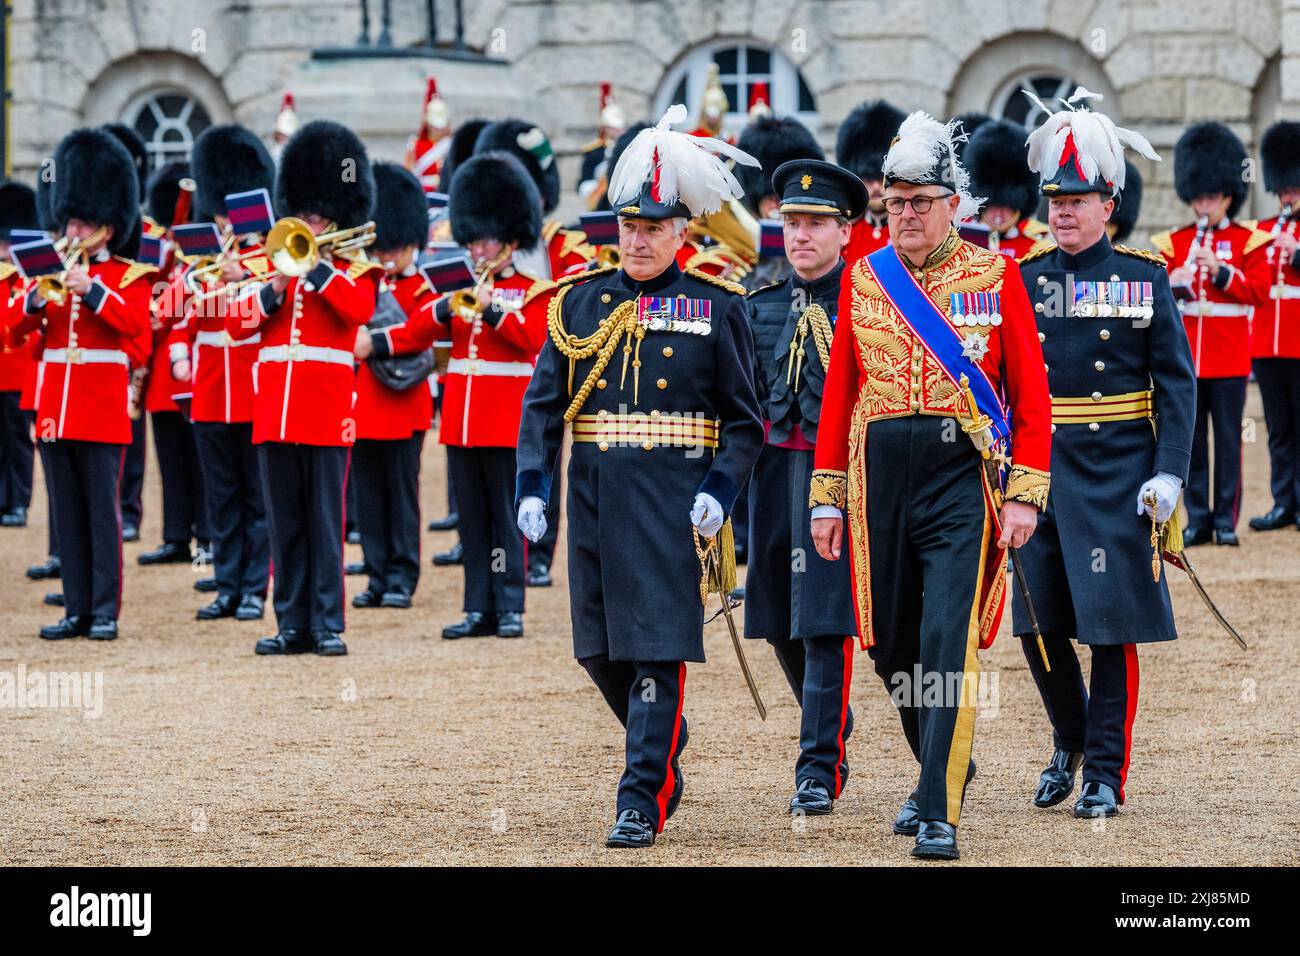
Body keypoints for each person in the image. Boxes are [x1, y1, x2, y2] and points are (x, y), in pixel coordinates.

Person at [515, 105, 763, 848]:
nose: (638, 238)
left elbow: (745, 421)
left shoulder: (717, 308)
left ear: (682, 230)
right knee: (598, 648)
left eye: (654, 226)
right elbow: (543, 408)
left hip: (672, 501)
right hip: (594, 497)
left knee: (656, 646)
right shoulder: (580, 302)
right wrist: (533, 486)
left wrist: (720, 493)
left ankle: (640, 796)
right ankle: (663, 732)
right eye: (629, 224)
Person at [810, 111, 1051, 860]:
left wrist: (1024, 492)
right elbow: (841, 390)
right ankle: (945, 762)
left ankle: (939, 808)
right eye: (895, 203)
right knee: (889, 645)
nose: (906, 216)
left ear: (953, 203)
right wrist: (825, 494)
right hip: (878, 473)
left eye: (921, 202)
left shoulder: (995, 274)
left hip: (960, 477)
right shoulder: (861, 277)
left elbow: (1033, 396)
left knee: (947, 643)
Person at [1016, 88, 1196, 819]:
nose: (1063, 210)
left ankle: (1105, 773)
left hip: (1120, 473)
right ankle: (1070, 737)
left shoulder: (1143, 276)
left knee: (1111, 627)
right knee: (1039, 623)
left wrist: (1169, 476)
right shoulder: (1022, 280)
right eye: (1055, 199)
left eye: (1078, 199)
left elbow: (1177, 389)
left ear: (1109, 201)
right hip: (1042, 473)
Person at [362, 151, 553, 638]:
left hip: (505, 423)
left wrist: (489, 311)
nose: (478, 251)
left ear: (511, 242)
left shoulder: (533, 292)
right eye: (473, 242)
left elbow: (531, 340)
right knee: (473, 523)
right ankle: (478, 607)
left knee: (505, 522)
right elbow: (412, 334)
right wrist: (373, 343)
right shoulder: (458, 289)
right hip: (463, 424)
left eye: (487, 241)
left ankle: (509, 605)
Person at [744, 158, 867, 816]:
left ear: (846, 231)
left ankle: (818, 764)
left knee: (825, 621)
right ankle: (833, 719)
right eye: (792, 222)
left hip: (840, 477)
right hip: (771, 474)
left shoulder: (867, 304)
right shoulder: (758, 306)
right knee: (774, 620)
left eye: (816, 223)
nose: (801, 235)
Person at [231, 120, 381, 657]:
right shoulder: (271, 260)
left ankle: (327, 623)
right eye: (304, 214)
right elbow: (236, 322)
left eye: (318, 215)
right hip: (275, 409)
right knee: (286, 522)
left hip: (326, 409)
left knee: (324, 522)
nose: (310, 222)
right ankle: (290, 622)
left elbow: (358, 310)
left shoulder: (353, 266)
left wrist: (314, 270)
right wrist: (274, 286)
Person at [10, 128, 155, 641]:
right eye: (69, 220)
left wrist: (92, 290)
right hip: (54, 405)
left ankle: (104, 611)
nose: (72, 230)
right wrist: (31, 302)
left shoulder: (129, 276)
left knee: (101, 512)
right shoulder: (47, 272)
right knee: (66, 512)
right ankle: (74, 609)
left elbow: (136, 326)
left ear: (107, 229)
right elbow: (16, 331)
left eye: (83, 222)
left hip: (99, 405)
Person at [168, 123, 277, 621]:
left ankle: (256, 588)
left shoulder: (271, 258)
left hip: (255, 389)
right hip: (211, 390)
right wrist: (189, 280)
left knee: (257, 498)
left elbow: (278, 296)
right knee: (222, 497)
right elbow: (171, 313)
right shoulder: (200, 261)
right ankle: (228, 585)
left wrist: (244, 273)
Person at [1153, 122, 1272, 546]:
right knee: (1192, 442)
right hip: (1188, 356)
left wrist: (1221, 271)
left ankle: (1226, 519)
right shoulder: (1173, 242)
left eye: (1214, 197)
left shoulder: (1250, 241)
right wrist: (1176, 279)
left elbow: (1258, 293)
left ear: (1228, 196)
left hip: (1229, 354)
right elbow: (1161, 301)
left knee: (1229, 441)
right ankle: (1199, 517)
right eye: (1200, 197)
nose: (1206, 205)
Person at [349, 162, 436, 610]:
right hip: (365, 406)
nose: (388, 255)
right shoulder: (363, 285)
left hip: (404, 406)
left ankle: (402, 575)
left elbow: (420, 332)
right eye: (383, 247)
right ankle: (376, 574)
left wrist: (374, 343)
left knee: (401, 498)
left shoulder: (423, 288)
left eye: (396, 247)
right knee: (368, 498)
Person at [137, 160, 210, 568]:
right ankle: (176, 534)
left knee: (201, 458)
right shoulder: (157, 245)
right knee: (170, 458)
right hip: (164, 367)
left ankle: (207, 534)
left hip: (196, 364)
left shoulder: (200, 248)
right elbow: (149, 287)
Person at [1249, 121, 1300, 532]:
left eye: (1293, 189)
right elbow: (1252, 285)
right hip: (1267, 342)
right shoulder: (1263, 231)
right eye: (1284, 190)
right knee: (1279, 429)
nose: (1287, 197)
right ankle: (1284, 502)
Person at [0, 180, 39, 529]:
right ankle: (2, 499)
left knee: (17, 440)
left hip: (16, 369)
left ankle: (20, 501)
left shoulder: (25, 276)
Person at [962, 118, 1050, 258]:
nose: (998, 214)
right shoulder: (959, 238)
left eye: (1006, 206)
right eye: (991, 205)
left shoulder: (1037, 246)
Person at [837, 100, 906, 265]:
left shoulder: (908, 230)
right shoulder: (847, 236)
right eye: (868, 179)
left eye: (880, 178)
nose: (875, 187)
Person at [576, 83, 626, 208]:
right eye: (611, 128)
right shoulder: (594, 151)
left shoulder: (629, 146)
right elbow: (584, 181)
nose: (615, 131)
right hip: (599, 202)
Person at [404, 76, 452, 194]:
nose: (439, 130)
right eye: (435, 125)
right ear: (427, 123)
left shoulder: (451, 144)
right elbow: (408, 173)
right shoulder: (415, 145)